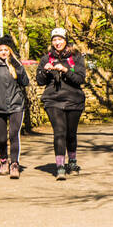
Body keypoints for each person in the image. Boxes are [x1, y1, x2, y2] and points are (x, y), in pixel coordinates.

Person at [36, 27, 87, 180]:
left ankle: (72, 161)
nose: (57, 42)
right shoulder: (46, 58)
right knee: (59, 132)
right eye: (54, 40)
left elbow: (80, 79)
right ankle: (59, 167)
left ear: (65, 40)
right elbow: (39, 81)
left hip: (73, 99)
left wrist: (65, 70)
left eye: (60, 39)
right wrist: (45, 71)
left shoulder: (76, 57)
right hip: (53, 99)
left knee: (71, 134)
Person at [0, 35, 31, 179]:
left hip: (16, 106)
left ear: (10, 51)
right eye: (0, 50)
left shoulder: (16, 64)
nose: (3, 52)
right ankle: (4, 160)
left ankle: (14, 164)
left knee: (13, 135)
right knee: (1, 138)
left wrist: (17, 66)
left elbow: (25, 82)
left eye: (6, 50)